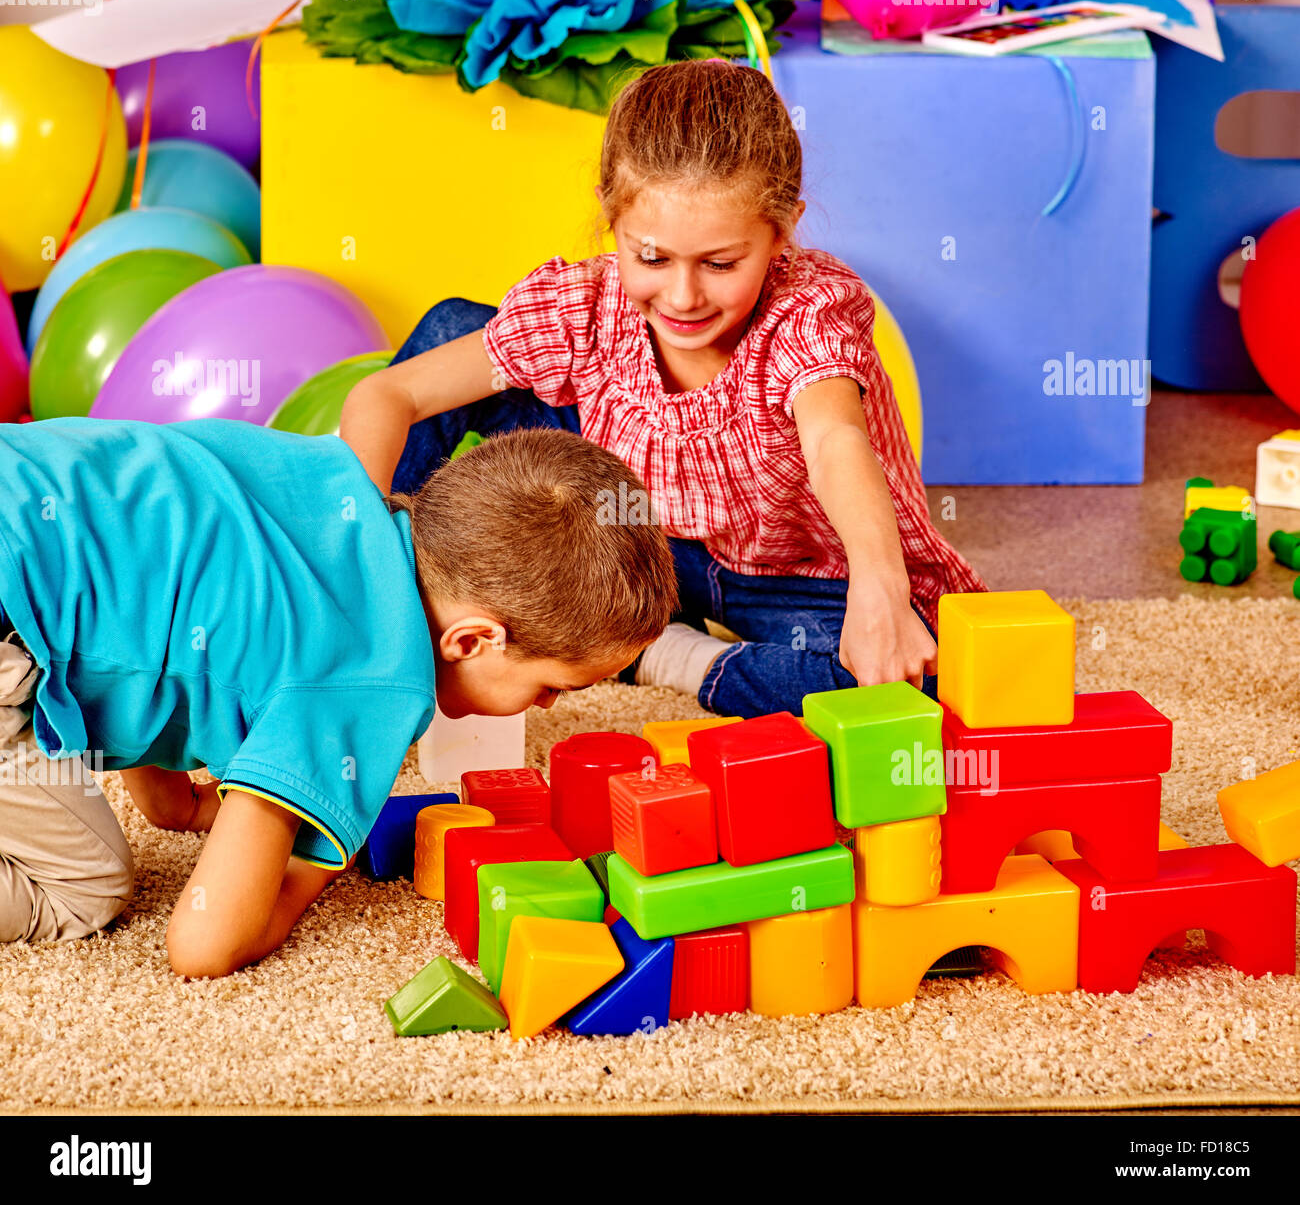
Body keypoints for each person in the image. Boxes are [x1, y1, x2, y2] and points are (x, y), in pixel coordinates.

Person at [339, 58, 986, 719]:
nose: (682, 296)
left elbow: (834, 439)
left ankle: (664, 653)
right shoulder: (587, 305)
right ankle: (392, 607)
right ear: (610, 218)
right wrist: (356, 557)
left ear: (782, 231)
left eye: (720, 263)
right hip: (641, 542)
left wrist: (879, 586)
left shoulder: (806, 311)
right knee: (457, 325)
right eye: (651, 257)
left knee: (920, 681)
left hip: (794, 576)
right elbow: (387, 395)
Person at [0, 419, 675, 975]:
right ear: (470, 641)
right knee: (84, 885)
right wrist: (312, 866)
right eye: (555, 686)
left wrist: (178, 805)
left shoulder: (332, 480)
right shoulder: (372, 678)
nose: (552, 707)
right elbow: (202, 945)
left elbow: (152, 589)